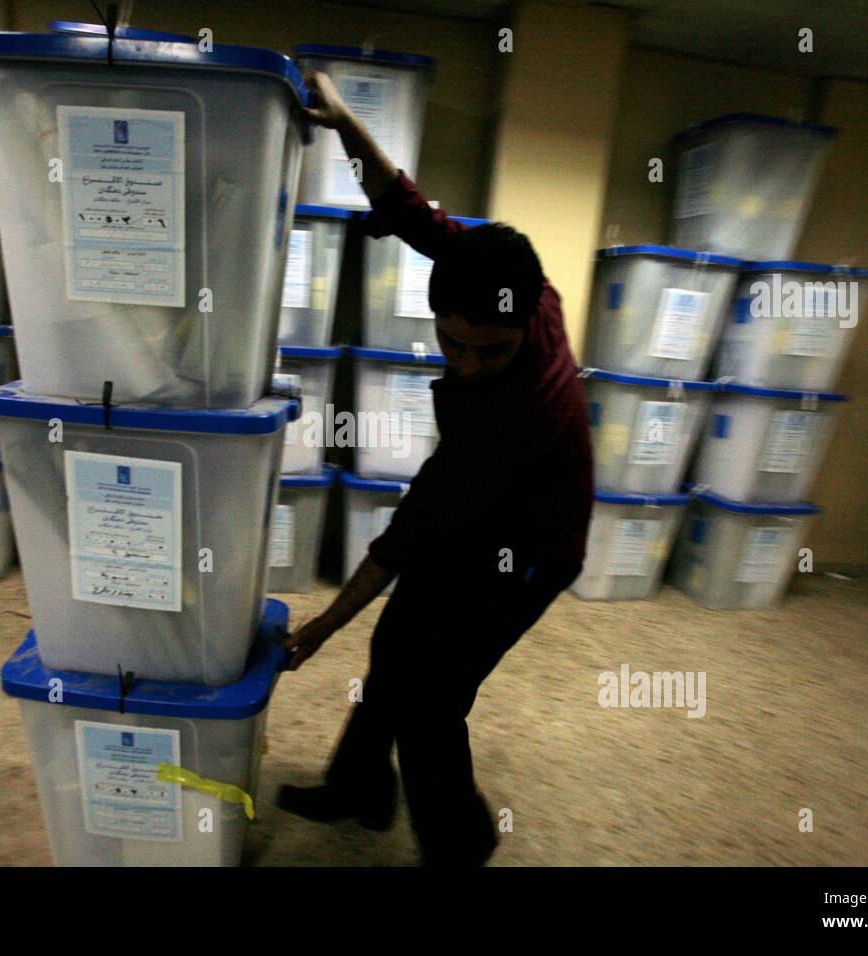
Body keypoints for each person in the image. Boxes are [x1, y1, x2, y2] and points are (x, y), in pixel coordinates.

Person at [277, 71, 595, 866]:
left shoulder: (512, 414)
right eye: (454, 343)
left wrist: (318, 627)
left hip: (532, 550)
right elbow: (411, 209)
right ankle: (359, 789)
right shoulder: (502, 274)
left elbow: (410, 532)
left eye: (494, 348)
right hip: (477, 519)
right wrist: (347, 123)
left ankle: (460, 848)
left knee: (432, 700)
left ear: (531, 318)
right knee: (397, 650)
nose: (472, 363)